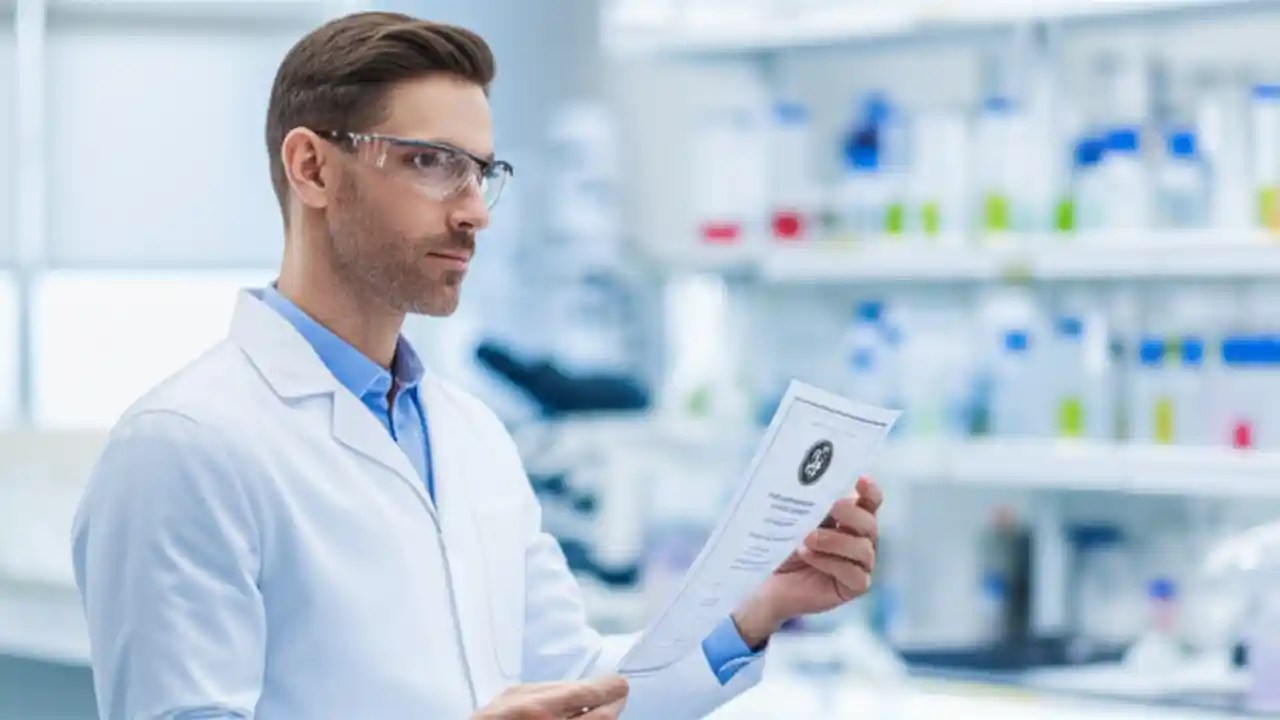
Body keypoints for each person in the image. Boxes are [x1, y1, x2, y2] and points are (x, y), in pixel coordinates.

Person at [70, 11, 884, 720]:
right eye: (431, 162)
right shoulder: (184, 445)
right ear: (312, 168)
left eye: (482, 172)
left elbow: (577, 688)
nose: (472, 211)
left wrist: (761, 607)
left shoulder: (469, 435)